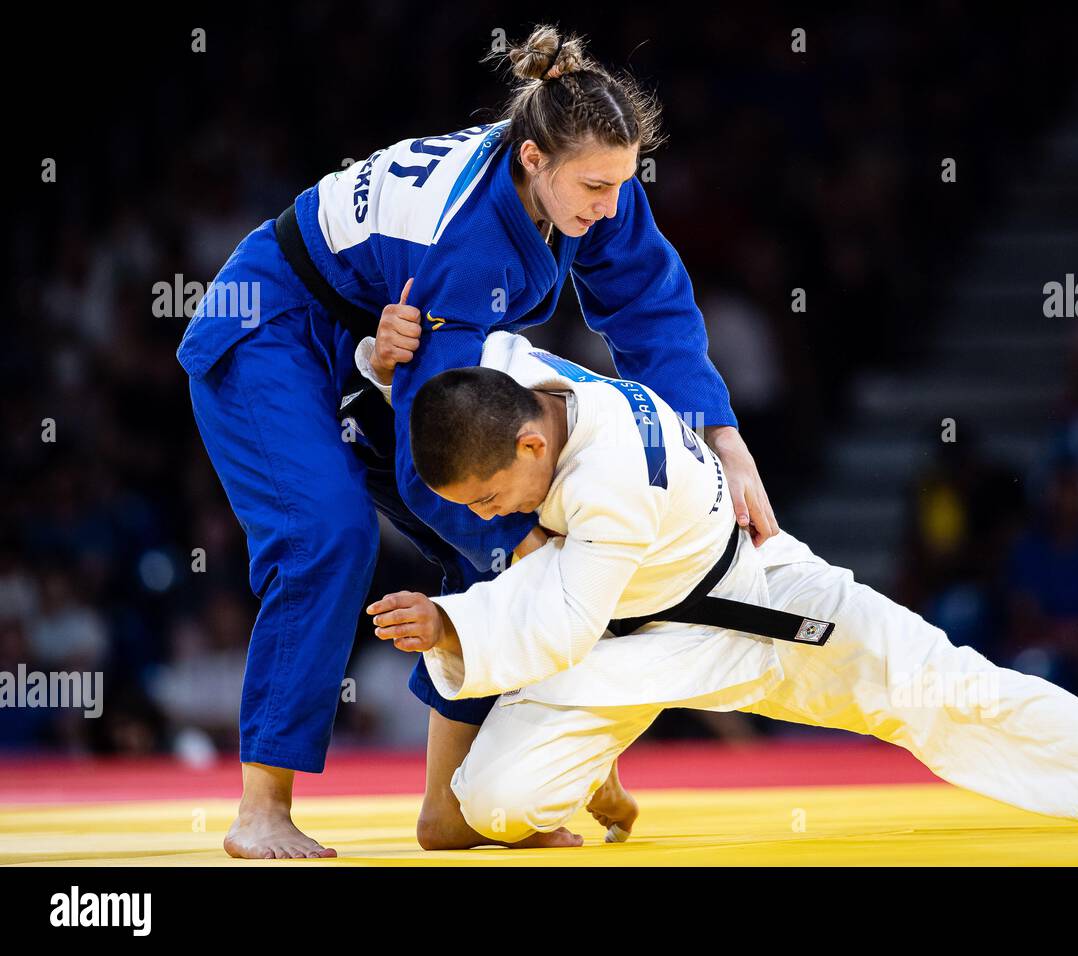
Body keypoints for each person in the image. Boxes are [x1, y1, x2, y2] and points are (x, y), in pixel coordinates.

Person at [176, 24, 776, 859]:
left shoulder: (593, 169)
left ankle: (449, 807)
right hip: (270, 323)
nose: (609, 206)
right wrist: (525, 541)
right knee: (334, 533)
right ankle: (261, 806)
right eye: (595, 189)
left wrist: (724, 438)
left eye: (622, 184)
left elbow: (650, 304)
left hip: (378, 338)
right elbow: (439, 447)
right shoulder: (468, 238)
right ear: (533, 160)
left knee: (504, 541)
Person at [366, 331, 1078, 848]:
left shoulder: (608, 484)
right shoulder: (519, 371)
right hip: (631, 637)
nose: (488, 517)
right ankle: (591, 766)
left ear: (528, 448)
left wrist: (448, 623)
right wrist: (380, 358)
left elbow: (554, 623)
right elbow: (460, 355)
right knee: (494, 802)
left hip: (757, 604)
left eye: (488, 499)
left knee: (941, 686)